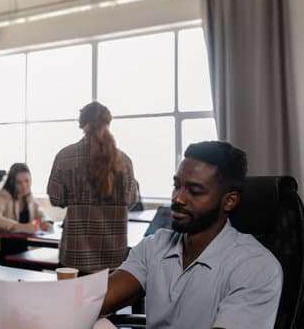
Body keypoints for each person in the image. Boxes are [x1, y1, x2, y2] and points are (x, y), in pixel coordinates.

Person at [100, 141, 283, 329]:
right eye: (176, 185)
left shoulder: (255, 267)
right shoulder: (154, 245)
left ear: (229, 201)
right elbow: (96, 300)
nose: (178, 198)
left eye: (195, 191)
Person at [47, 101, 137, 274]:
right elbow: (131, 201)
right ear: (108, 122)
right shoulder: (124, 161)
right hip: (114, 259)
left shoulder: (65, 156)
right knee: (111, 301)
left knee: (74, 301)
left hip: (75, 257)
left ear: (82, 124)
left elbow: (55, 199)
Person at [0, 163, 53, 259]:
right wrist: (21, 227)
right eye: (19, 182)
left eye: (27, 181)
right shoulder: (4, 196)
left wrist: (45, 221)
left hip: (18, 247)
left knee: (37, 265)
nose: (24, 186)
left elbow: (40, 212)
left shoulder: (28, 197)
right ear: (12, 183)